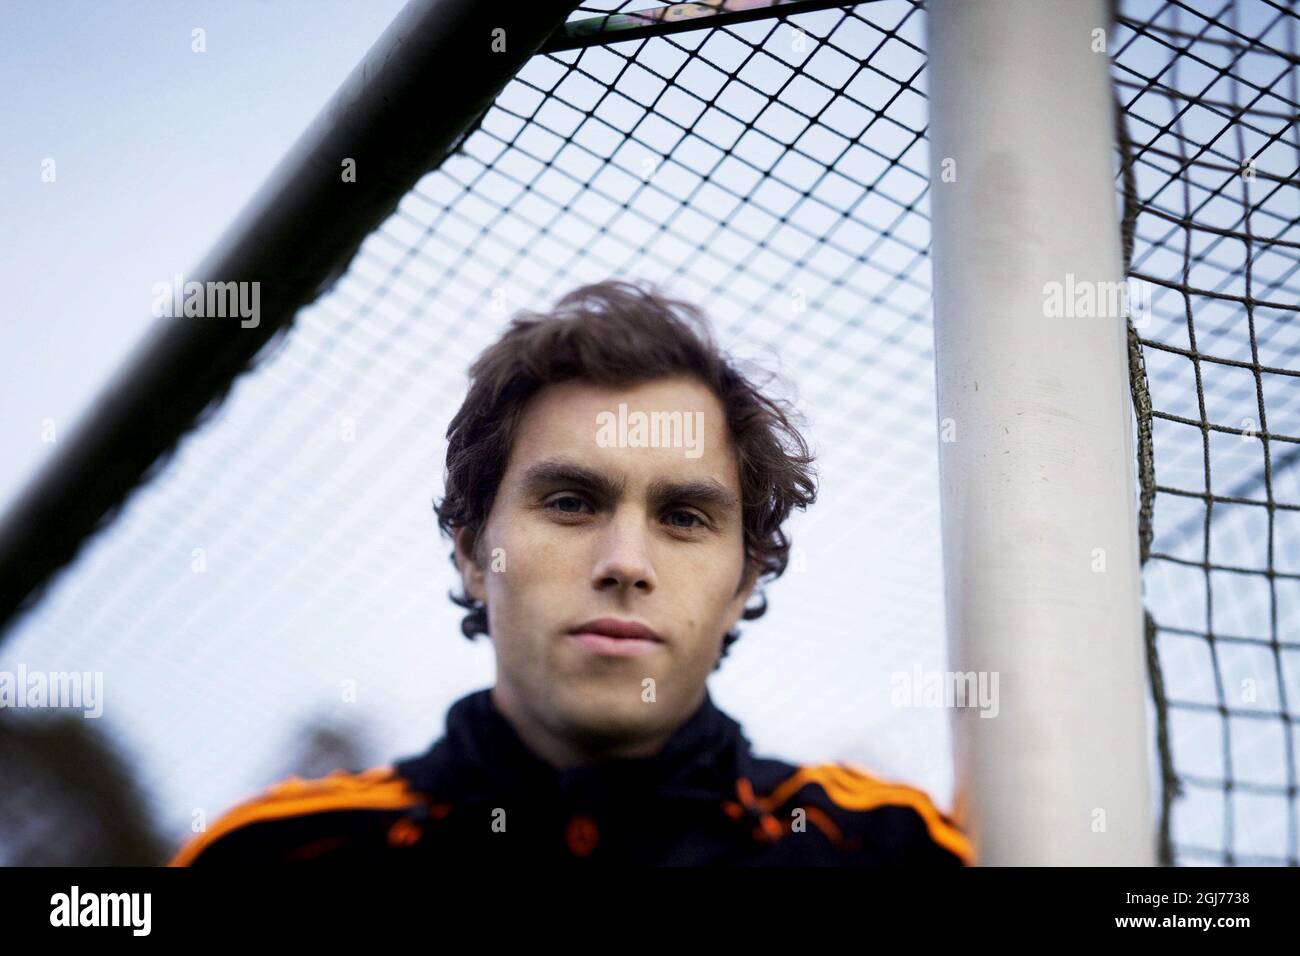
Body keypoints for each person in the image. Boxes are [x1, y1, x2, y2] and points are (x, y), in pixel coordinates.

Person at [170, 279, 972, 866]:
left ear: (745, 581)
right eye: (570, 503)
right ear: (471, 553)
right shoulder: (272, 854)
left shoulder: (886, 851)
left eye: (683, 517)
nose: (625, 563)